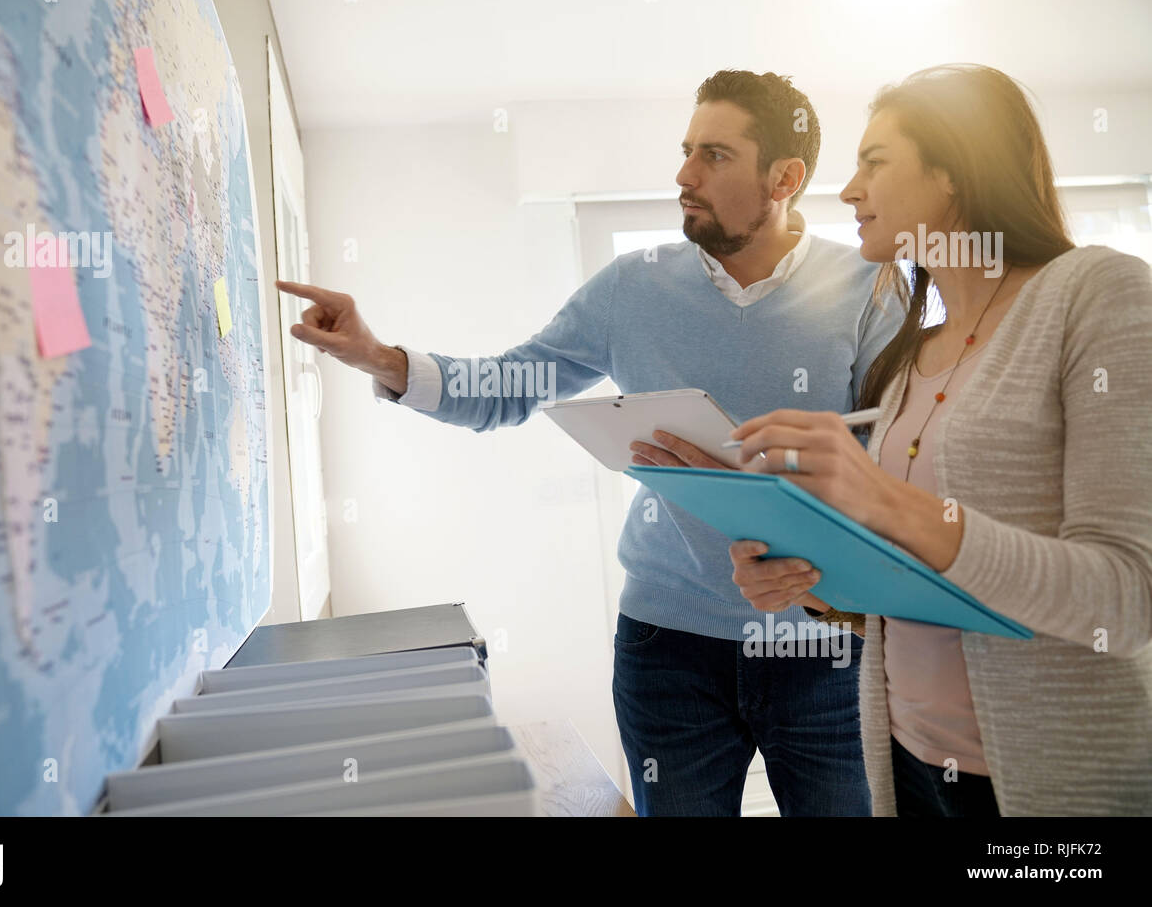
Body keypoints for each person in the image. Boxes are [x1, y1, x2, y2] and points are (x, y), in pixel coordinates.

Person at [279, 70, 904, 815]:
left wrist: (778, 494)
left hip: (824, 648)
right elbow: (511, 386)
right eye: (685, 151)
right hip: (667, 649)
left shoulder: (869, 285)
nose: (684, 174)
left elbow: (897, 463)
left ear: (785, 177)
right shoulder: (629, 289)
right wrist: (379, 357)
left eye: (715, 155)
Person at [718, 64, 1152, 816]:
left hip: (1049, 786)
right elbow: (931, 587)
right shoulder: (915, 353)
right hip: (908, 761)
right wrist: (815, 586)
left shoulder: (1098, 293)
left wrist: (882, 496)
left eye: (874, 163)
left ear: (955, 171)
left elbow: (1128, 595)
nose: (849, 190)